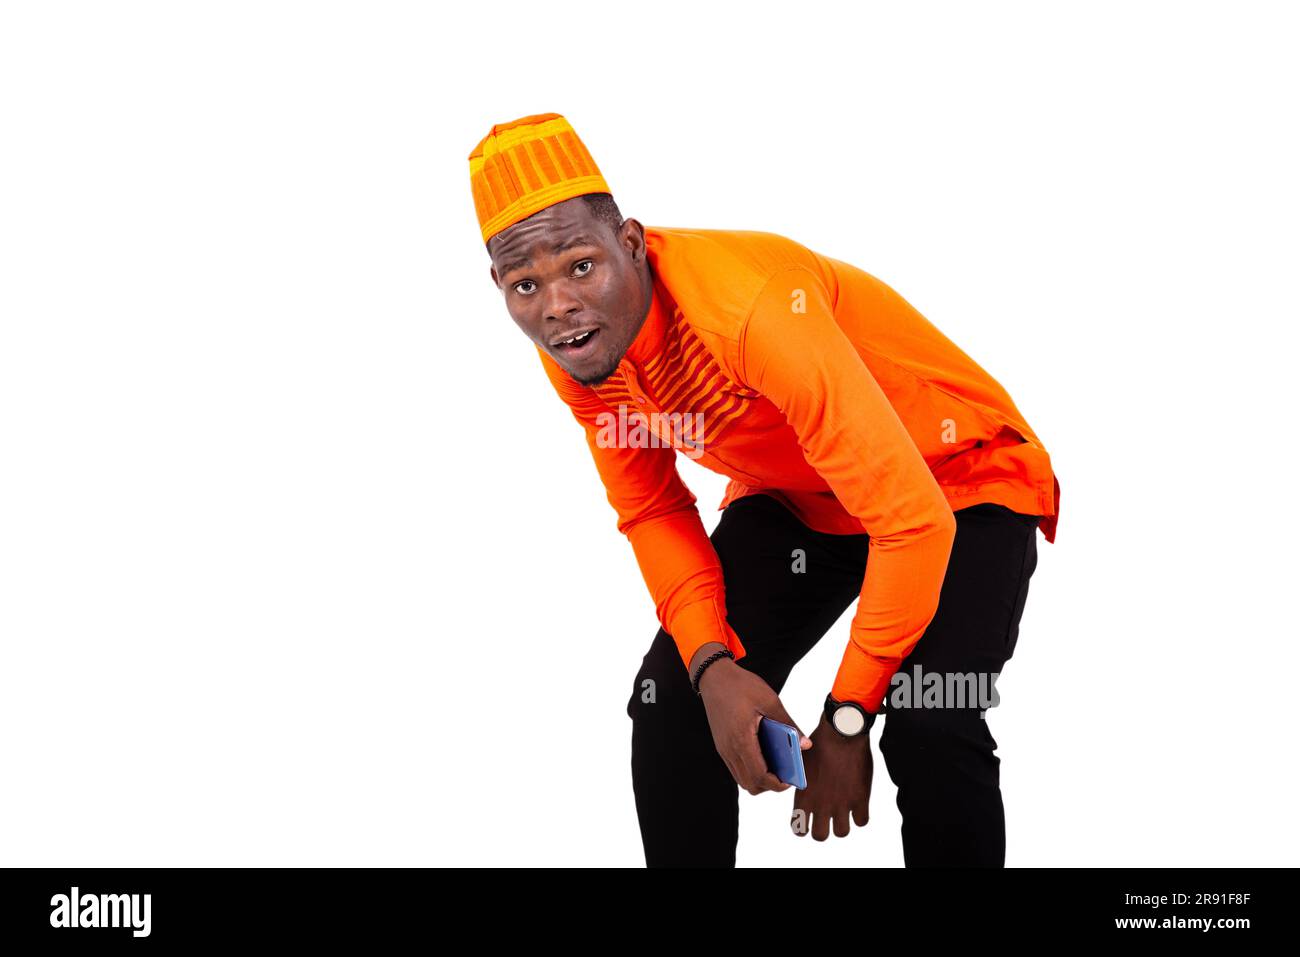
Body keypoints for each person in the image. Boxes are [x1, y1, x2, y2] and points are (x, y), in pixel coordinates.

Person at [468, 112, 1060, 867]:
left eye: (580, 265)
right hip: (801, 496)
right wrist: (714, 667)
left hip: (957, 484)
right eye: (526, 284)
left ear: (630, 243)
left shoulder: (752, 311)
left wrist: (847, 718)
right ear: (500, 286)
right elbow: (652, 507)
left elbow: (910, 521)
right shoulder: (582, 348)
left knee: (928, 719)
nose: (555, 305)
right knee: (676, 705)